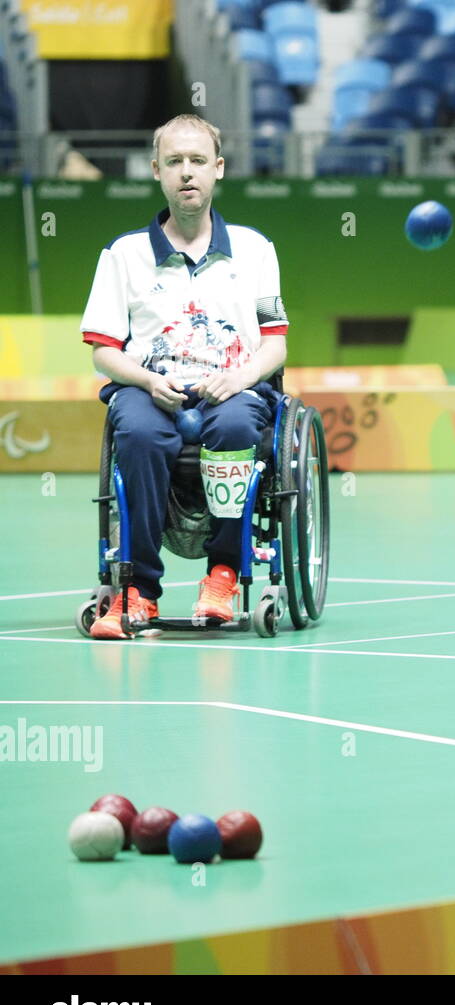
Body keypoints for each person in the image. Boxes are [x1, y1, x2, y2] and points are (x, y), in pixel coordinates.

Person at [79, 114, 290, 639]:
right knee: (139, 432)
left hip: (231, 390)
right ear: (156, 171)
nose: (186, 173)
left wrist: (240, 377)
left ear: (218, 169)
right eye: (174, 162)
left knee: (238, 428)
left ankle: (223, 573)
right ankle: (139, 589)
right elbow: (104, 352)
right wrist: (148, 382)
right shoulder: (123, 255)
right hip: (152, 390)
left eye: (198, 161)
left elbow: (276, 344)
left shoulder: (256, 249)